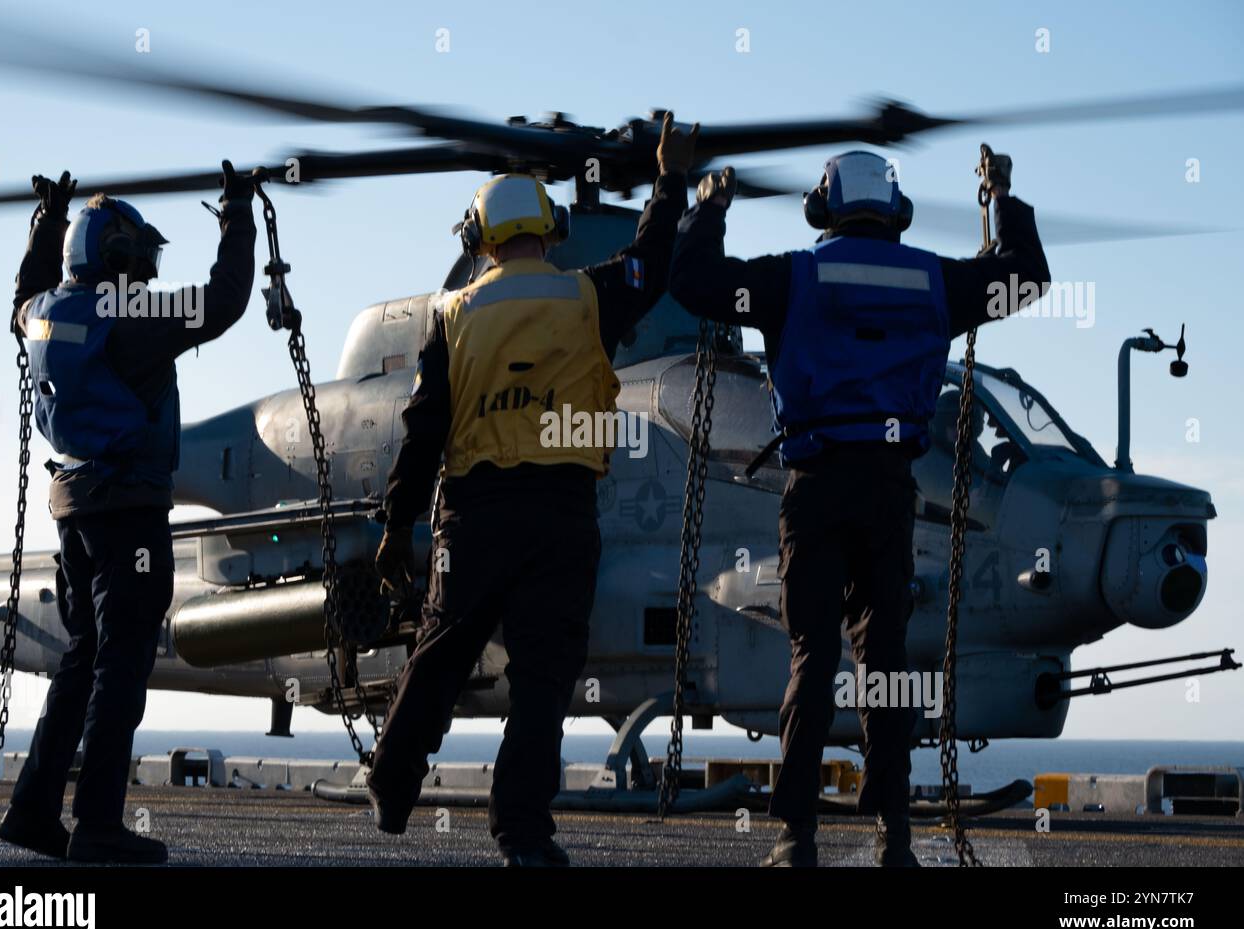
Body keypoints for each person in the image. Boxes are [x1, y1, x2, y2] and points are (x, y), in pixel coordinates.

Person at [669, 149, 1049, 866]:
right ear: (895, 211)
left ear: (825, 208)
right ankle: (894, 835)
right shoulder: (936, 281)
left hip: (814, 485)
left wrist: (708, 208)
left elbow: (691, 282)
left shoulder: (792, 279)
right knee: (885, 658)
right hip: (889, 489)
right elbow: (1025, 279)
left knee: (813, 655)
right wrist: (1003, 197)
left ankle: (796, 837)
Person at [368, 115, 698, 866]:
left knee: (442, 647)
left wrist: (396, 526)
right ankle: (520, 831)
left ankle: (392, 781)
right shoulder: (589, 297)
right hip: (560, 517)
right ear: (550, 231)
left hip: (472, 518)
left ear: (480, 239)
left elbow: (423, 430)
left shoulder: (449, 315)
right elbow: (651, 260)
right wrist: (669, 181)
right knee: (544, 680)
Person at [0, 162, 258, 863]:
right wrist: (237, 214)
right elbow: (226, 300)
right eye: (140, 260)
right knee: (121, 663)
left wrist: (46, 222)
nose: (145, 273)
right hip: (129, 513)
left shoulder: (43, 314)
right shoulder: (130, 320)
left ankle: (32, 812)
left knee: (82, 659)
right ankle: (99, 827)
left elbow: (23, 291)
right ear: (118, 257)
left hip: (74, 509)